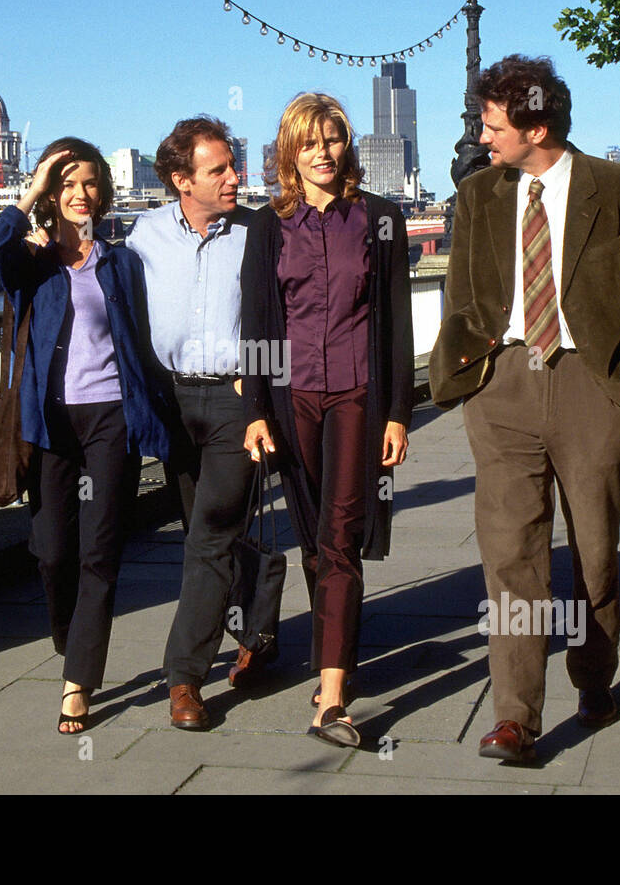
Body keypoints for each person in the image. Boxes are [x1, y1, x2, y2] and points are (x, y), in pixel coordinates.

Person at [428, 55, 620, 762]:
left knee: (595, 552)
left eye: (492, 126)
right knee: (511, 557)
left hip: (589, 388)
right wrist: (470, 377)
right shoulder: (479, 194)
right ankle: (516, 717)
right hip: (502, 386)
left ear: (536, 127)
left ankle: (594, 678)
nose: (482, 138)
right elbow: (462, 295)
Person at [242, 92, 414, 748]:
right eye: (308, 142)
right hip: (293, 401)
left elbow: (395, 319)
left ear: (349, 146)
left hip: (358, 396)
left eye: (333, 139)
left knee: (340, 536)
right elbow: (256, 322)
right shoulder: (268, 225)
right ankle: (336, 651)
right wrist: (256, 409)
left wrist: (399, 411)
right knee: (315, 538)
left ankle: (333, 699)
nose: (322, 152)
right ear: (289, 150)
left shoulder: (382, 219)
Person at [0, 138, 172, 734]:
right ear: (50, 193)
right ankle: (73, 641)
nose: (79, 194)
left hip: (110, 418)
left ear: (104, 192)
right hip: (49, 423)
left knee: (99, 550)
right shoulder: (31, 264)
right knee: (52, 552)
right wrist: (32, 189)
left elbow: (142, 340)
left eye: (89, 183)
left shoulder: (120, 264)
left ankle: (77, 681)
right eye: (67, 184)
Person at [125, 116, 258, 731]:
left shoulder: (258, 233)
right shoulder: (143, 237)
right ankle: (261, 622)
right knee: (209, 533)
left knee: (210, 533)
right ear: (182, 180)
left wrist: (257, 387)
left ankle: (183, 679)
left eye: (233, 165)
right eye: (220, 170)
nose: (236, 177)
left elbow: (280, 317)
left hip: (234, 402)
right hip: (174, 403)